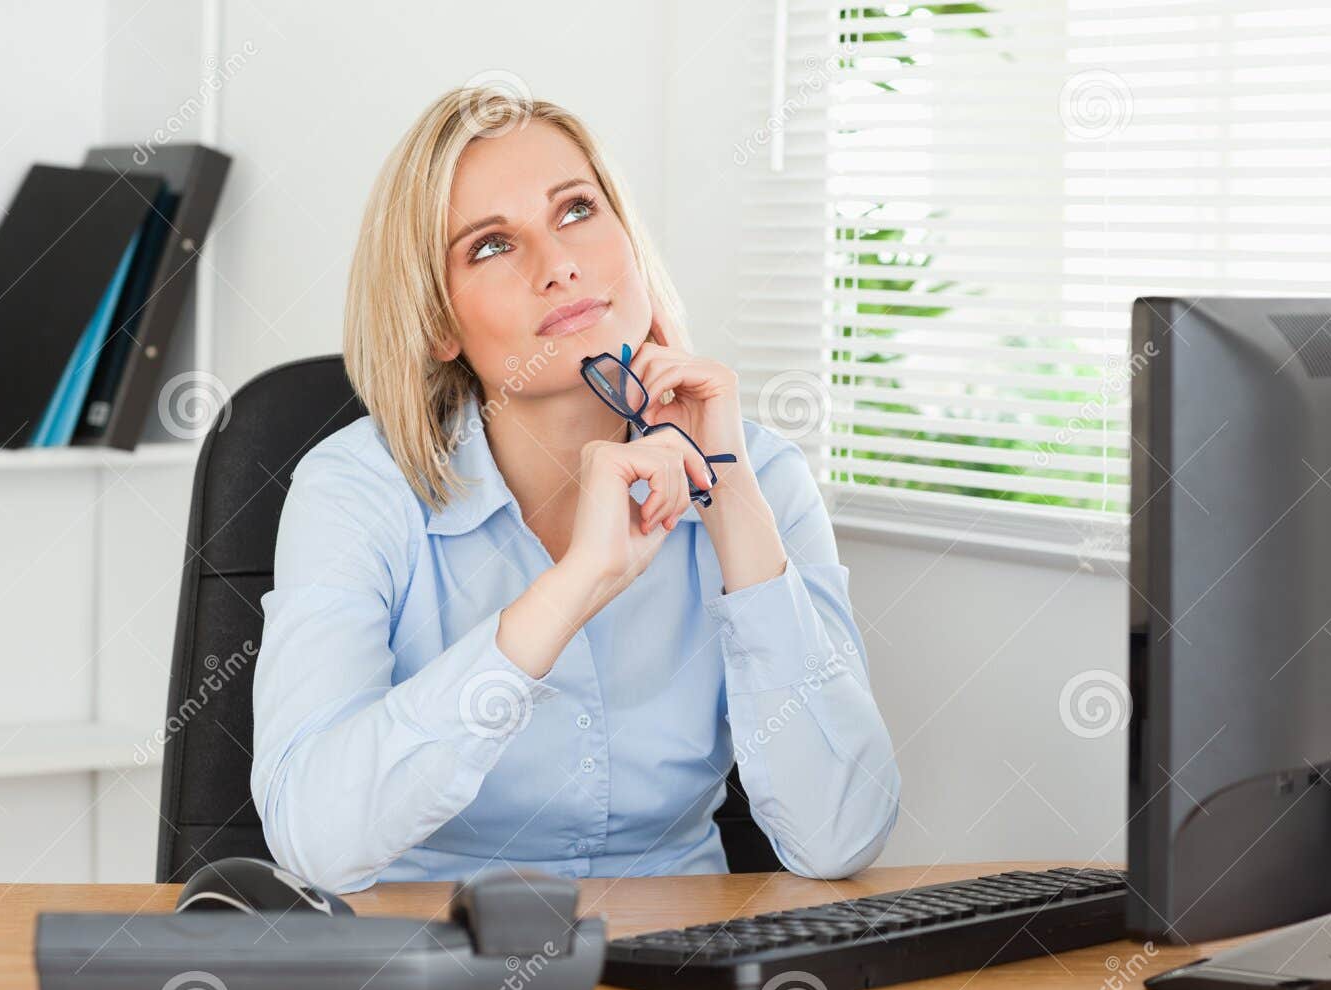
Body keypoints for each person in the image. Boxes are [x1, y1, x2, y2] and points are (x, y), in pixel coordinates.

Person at [249, 87, 901, 891]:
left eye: (577, 210)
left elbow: (842, 833)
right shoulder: (353, 491)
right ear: (438, 322)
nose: (557, 264)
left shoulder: (760, 474)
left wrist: (730, 499)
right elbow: (314, 838)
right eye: (491, 245)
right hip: (425, 952)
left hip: (684, 959)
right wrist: (573, 585)